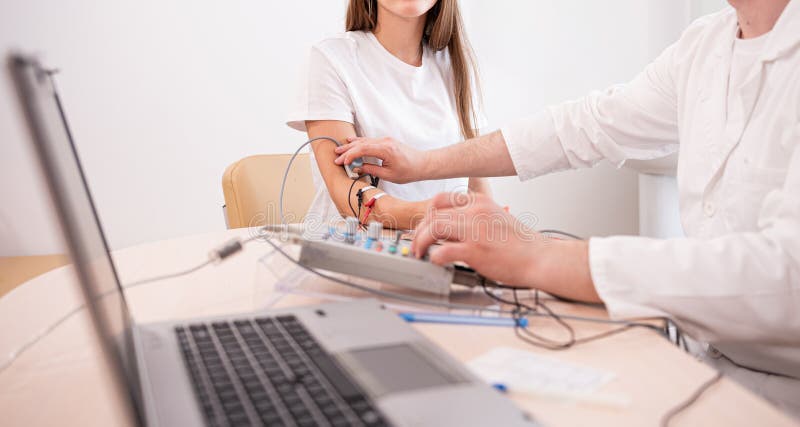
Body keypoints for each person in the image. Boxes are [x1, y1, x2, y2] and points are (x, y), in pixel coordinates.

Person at [333, 0, 800, 417]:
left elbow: (786, 276)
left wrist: (537, 256)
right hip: (707, 367)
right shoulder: (705, 44)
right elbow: (585, 126)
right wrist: (423, 164)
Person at [287, 0, 489, 230]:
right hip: (357, 252)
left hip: (447, 250)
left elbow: (478, 186)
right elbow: (346, 192)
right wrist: (435, 215)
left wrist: (489, 225)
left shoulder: (457, 66)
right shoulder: (331, 58)